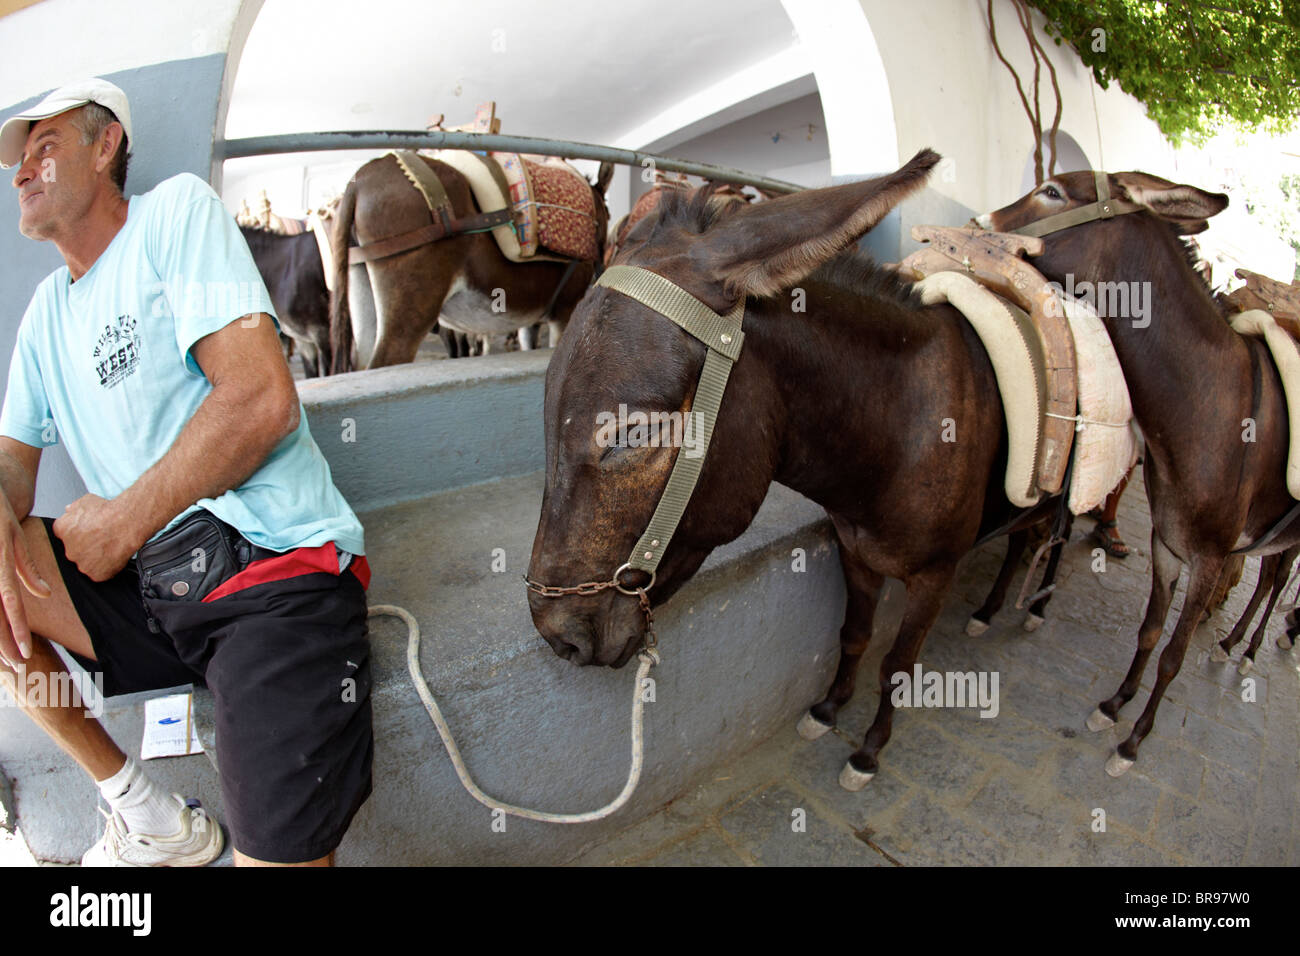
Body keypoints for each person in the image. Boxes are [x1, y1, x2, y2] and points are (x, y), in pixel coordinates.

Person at [0, 78, 373, 866]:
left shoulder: (175, 214)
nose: (23, 171)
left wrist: (125, 519)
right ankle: (145, 814)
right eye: (16, 161)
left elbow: (260, 401)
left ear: (106, 148)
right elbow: (12, 466)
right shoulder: (43, 316)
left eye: (45, 148)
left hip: (266, 573)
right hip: (150, 589)